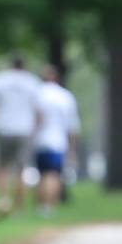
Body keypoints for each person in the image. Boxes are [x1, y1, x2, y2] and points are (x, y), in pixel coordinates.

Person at [0, 55, 41, 219]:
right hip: (24, 130)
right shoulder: (32, 82)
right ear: (24, 65)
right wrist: (34, 129)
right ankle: (19, 209)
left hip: (2, 129)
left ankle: (4, 200)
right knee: (21, 170)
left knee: (0, 168)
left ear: (10, 64)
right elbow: (38, 110)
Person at [31, 66, 81, 218]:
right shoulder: (65, 96)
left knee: (41, 174)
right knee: (53, 175)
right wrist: (73, 147)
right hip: (58, 141)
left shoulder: (37, 94)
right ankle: (49, 206)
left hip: (39, 140)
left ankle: (40, 206)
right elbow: (73, 125)